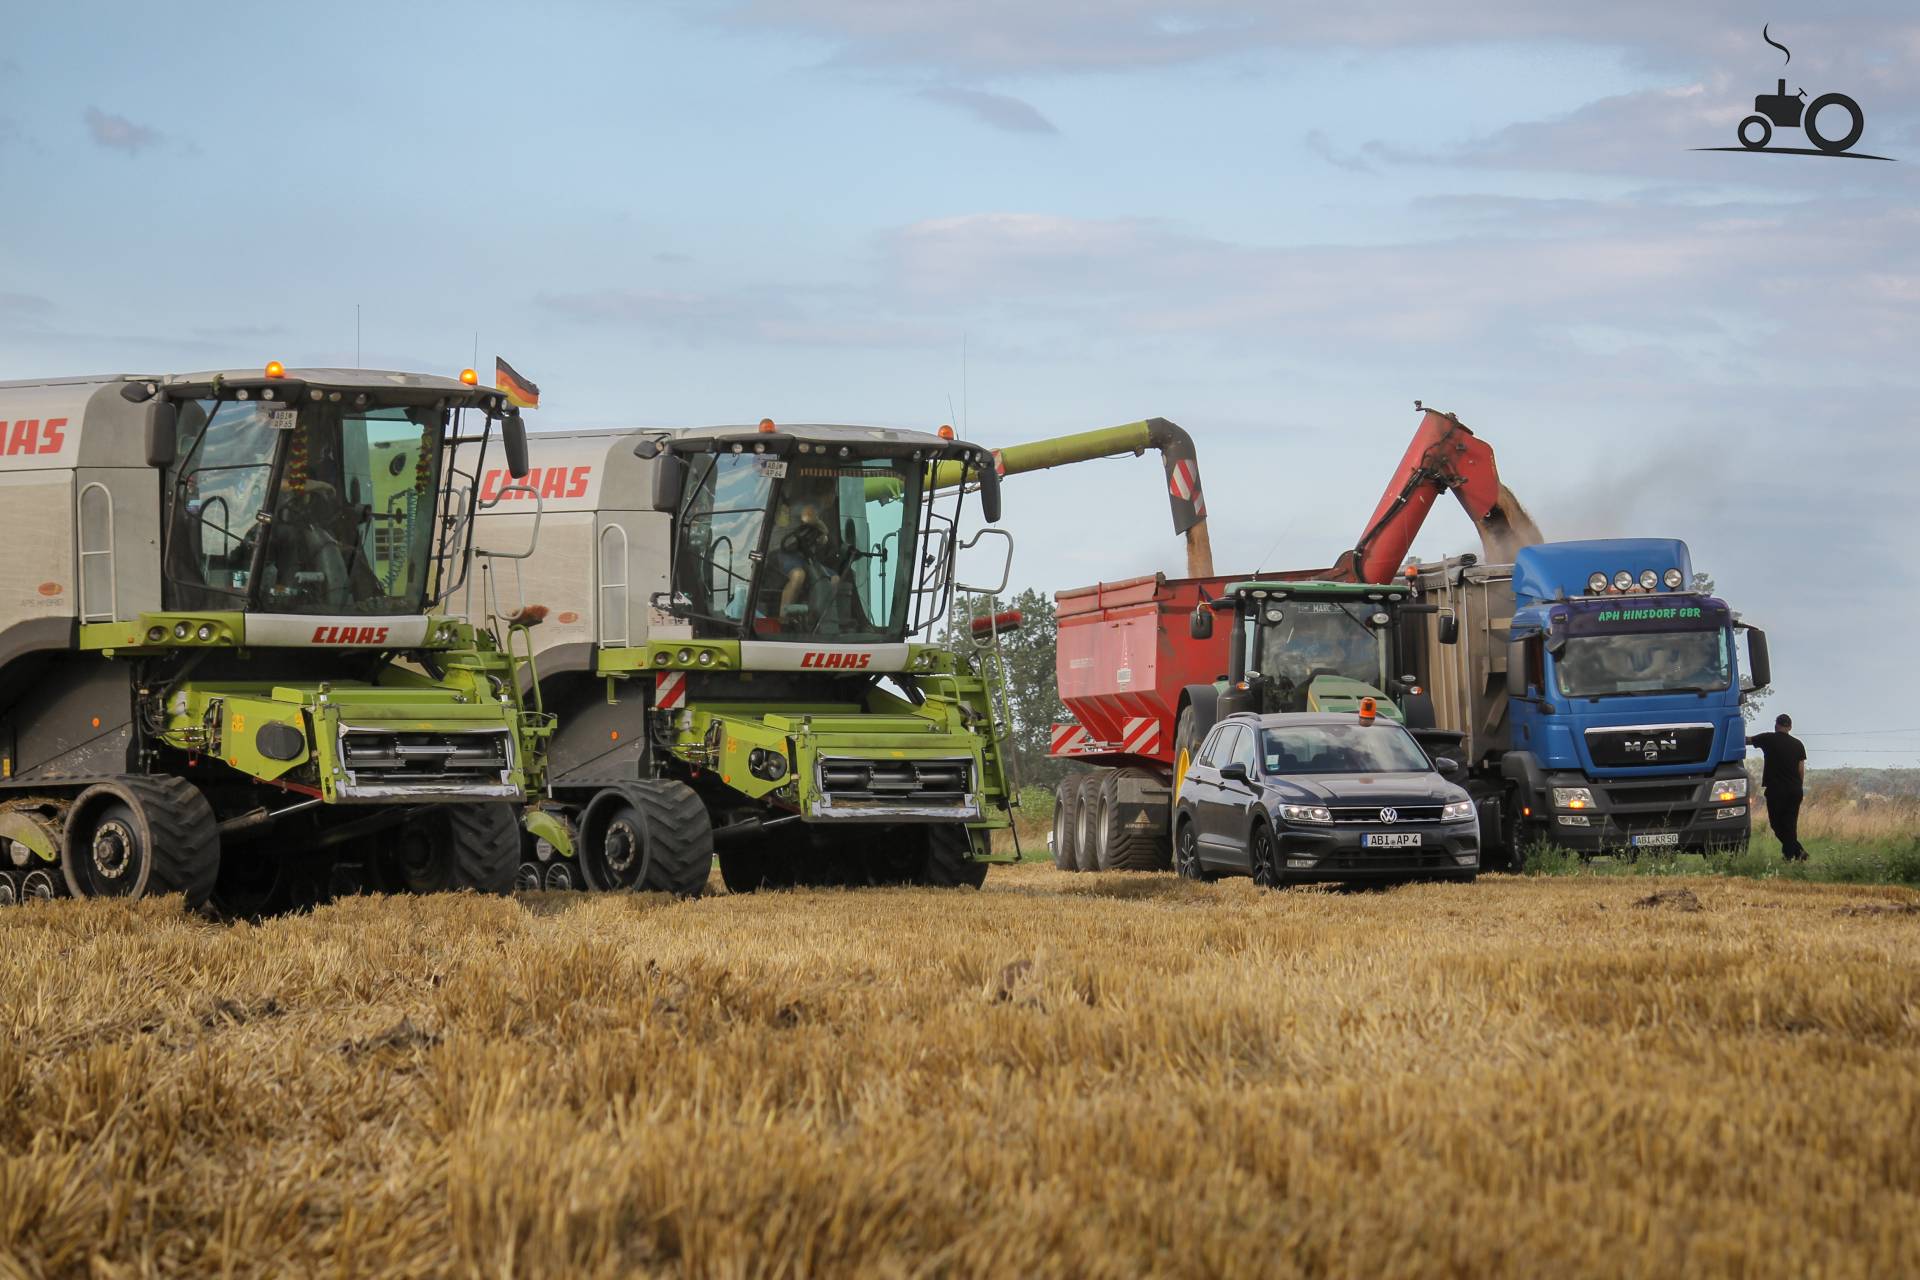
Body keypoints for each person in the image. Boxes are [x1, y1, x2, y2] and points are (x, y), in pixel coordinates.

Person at [1747, 714, 1808, 861]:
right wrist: (1798, 787)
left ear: (1776, 725)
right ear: (1790, 727)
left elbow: (1747, 740)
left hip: (1776, 790)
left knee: (1776, 824)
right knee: (1790, 824)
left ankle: (1791, 855)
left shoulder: (1768, 739)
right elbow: (1801, 770)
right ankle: (1797, 853)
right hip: (1794, 790)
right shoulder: (1798, 744)